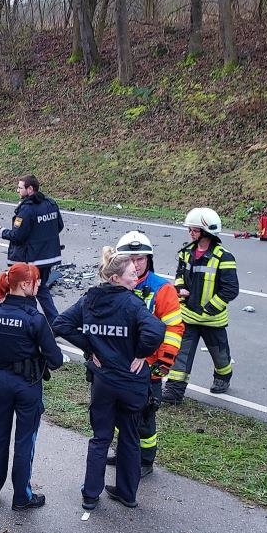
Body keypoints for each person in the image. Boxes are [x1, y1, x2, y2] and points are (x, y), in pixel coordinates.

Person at [52, 247, 165, 510]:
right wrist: (141, 353)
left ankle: (91, 495)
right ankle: (127, 494)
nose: (135, 277)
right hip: (132, 382)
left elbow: (60, 324)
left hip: (103, 382)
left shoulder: (89, 300)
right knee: (130, 437)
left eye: (136, 273)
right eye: (131, 274)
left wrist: (90, 348)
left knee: (100, 437)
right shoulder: (133, 303)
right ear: (115, 278)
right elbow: (156, 330)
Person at [0, 263, 64, 510]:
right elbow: (56, 359)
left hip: (1, 383)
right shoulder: (35, 319)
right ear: (25, 285)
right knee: (25, 442)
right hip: (28, 385)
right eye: (36, 281)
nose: (39, 285)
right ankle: (22, 497)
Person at [112, 231, 184, 477]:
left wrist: (164, 362)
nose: (135, 263)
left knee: (145, 414)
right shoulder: (116, 285)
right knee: (120, 410)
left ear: (148, 260)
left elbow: (174, 328)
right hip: (120, 363)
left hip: (149, 365)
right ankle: (124, 450)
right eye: (130, 258)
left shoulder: (162, 289)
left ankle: (145, 460)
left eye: (140, 258)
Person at [162, 208, 239, 402]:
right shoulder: (187, 252)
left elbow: (230, 289)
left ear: (207, 232)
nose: (191, 233)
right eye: (191, 230)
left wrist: (209, 309)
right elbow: (179, 275)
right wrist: (180, 289)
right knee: (182, 353)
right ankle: (174, 391)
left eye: (195, 230)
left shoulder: (224, 257)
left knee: (220, 354)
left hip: (212, 319)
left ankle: (223, 377)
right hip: (188, 315)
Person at [0, 175, 63, 323]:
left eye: (20, 188)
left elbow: (17, 236)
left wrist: (0, 230)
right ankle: (56, 323)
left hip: (32, 260)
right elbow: (59, 226)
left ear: (30, 189)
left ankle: (31, 322)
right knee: (41, 289)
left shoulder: (26, 210)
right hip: (49, 258)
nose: (17, 190)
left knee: (28, 292)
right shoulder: (51, 204)